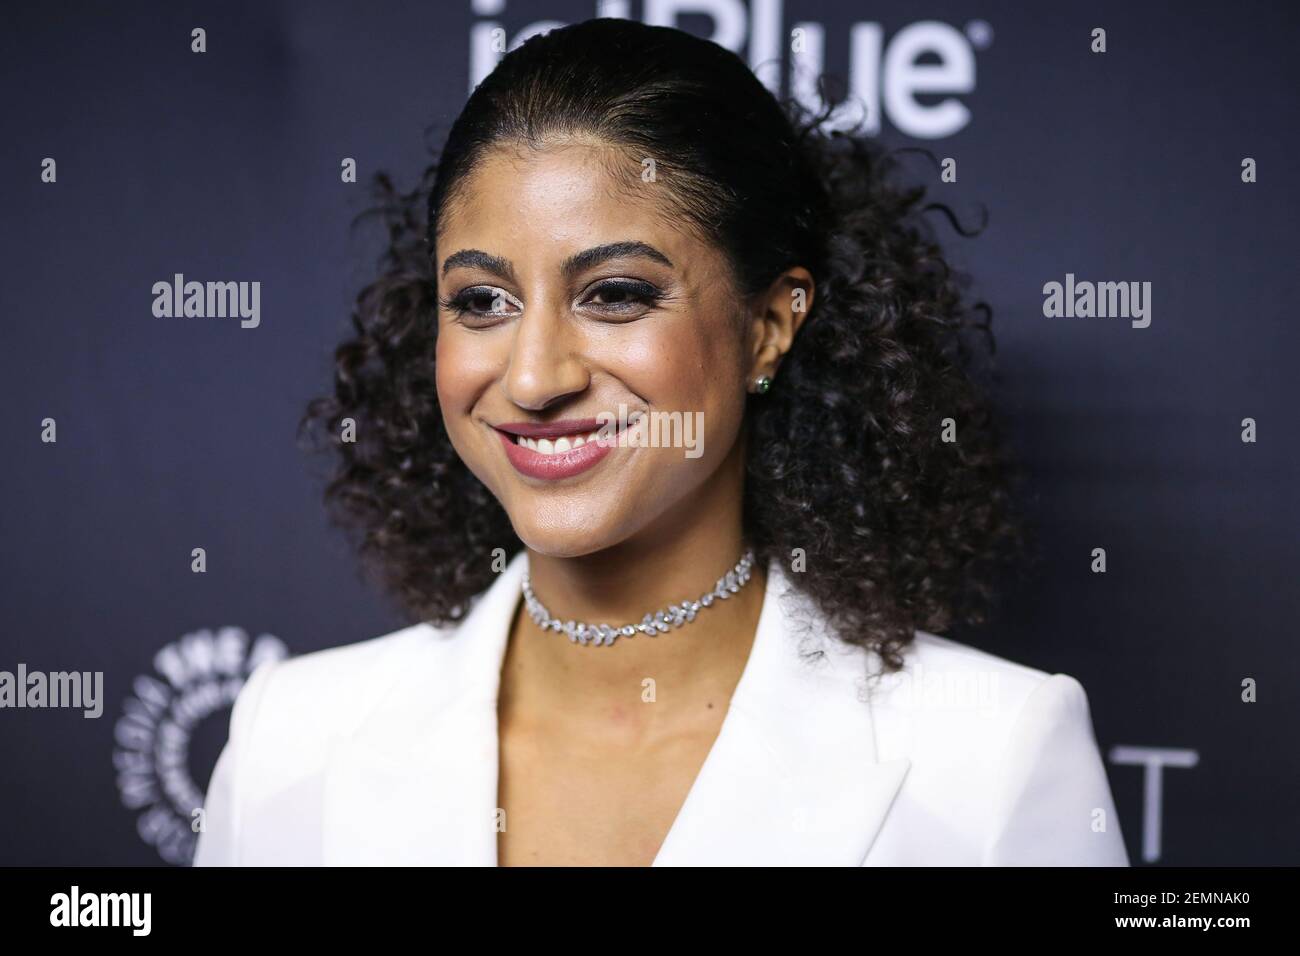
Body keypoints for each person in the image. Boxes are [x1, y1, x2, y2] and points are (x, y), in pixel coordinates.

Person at [194, 18, 1128, 867]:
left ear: (768, 324)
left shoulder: (992, 759)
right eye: (482, 301)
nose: (533, 378)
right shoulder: (293, 741)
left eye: (616, 294)